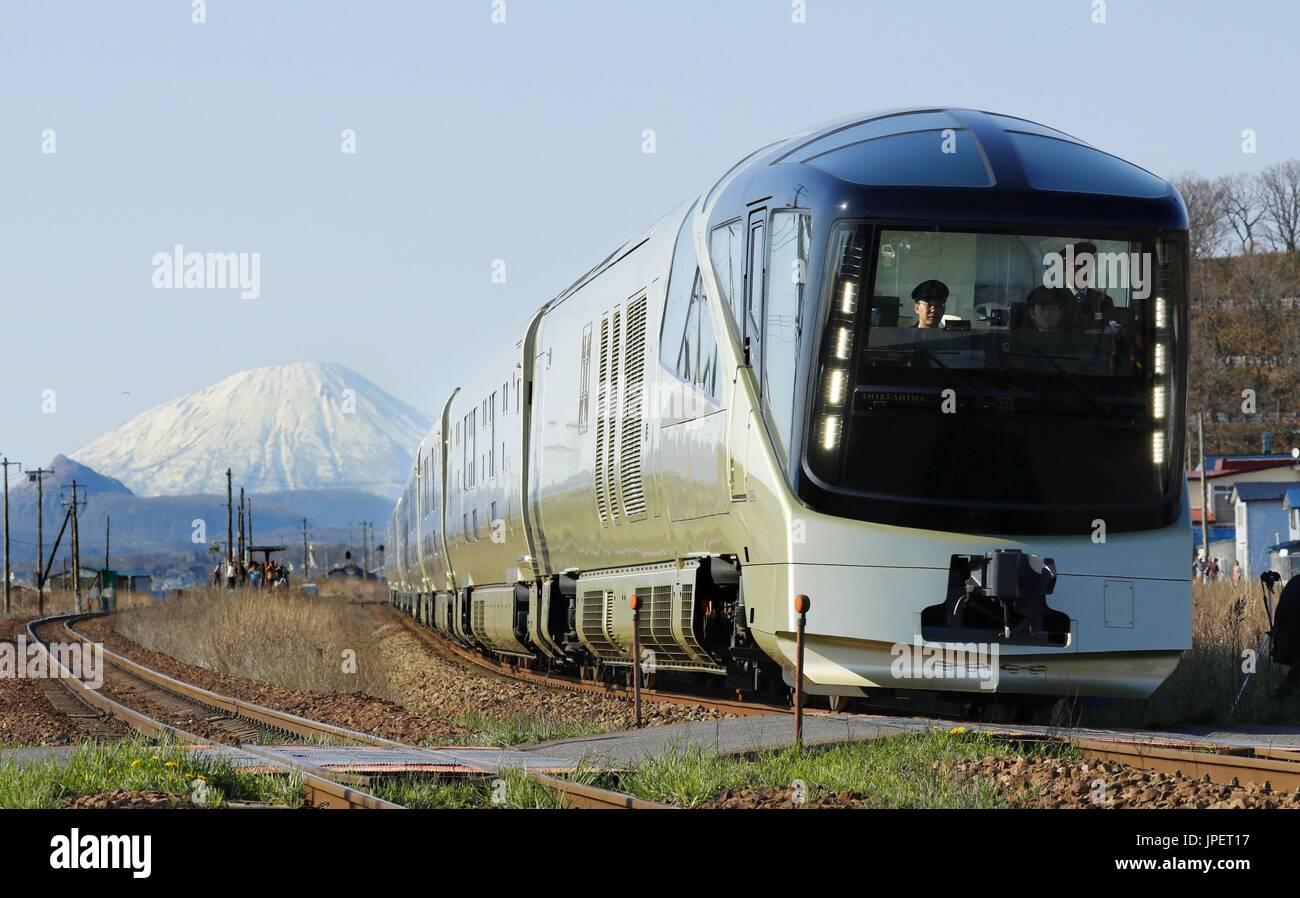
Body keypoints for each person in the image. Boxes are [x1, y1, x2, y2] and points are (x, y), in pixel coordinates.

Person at [1061, 241, 1116, 331]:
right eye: (1078, 267)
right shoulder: (1055, 298)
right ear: (1064, 268)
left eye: (1088, 267)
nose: (1084, 272)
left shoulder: (1105, 302)